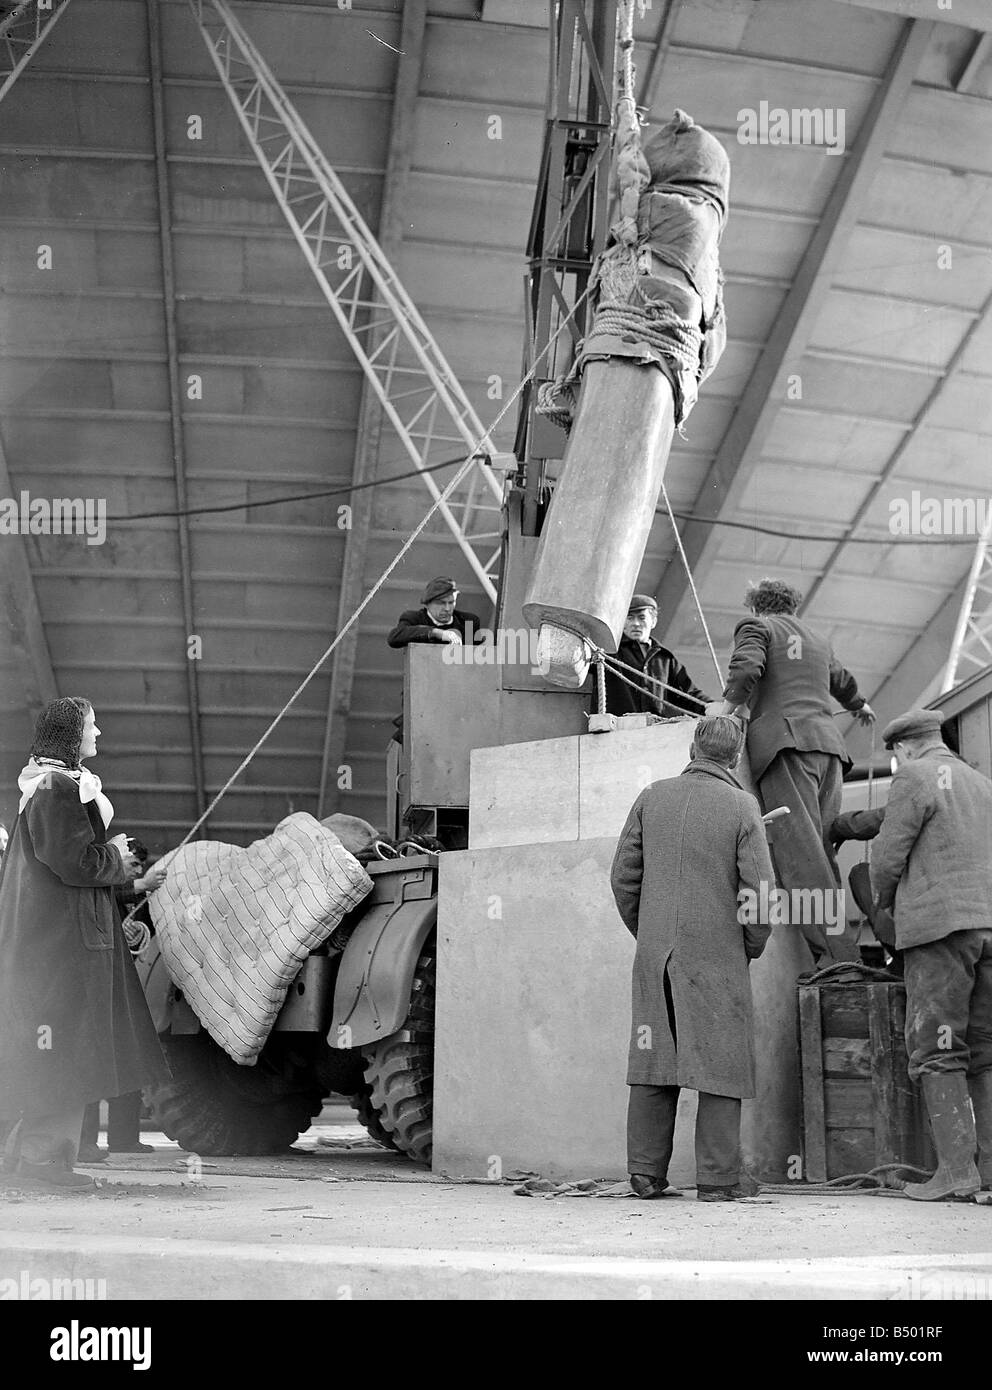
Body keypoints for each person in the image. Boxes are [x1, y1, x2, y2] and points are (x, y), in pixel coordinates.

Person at [0, 697, 168, 1189]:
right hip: (63, 947)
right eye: (92, 726)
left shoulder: (49, 785)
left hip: (58, 941)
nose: (99, 734)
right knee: (65, 1050)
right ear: (71, 735)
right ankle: (43, 1165)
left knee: (54, 1047)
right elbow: (72, 862)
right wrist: (115, 856)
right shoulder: (56, 788)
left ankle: (27, 1160)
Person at [610, 715, 774, 1202]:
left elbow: (623, 878)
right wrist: (746, 947)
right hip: (718, 956)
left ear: (692, 749)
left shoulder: (651, 796)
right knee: (720, 1061)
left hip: (655, 955)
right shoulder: (742, 806)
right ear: (736, 757)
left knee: (654, 1059)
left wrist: (650, 934)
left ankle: (644, 1174)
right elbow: (759, 895)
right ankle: (719, 1181)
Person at [869, 708, 992, 1201]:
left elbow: (887, 856)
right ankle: (988, 1175)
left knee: (938, 1050)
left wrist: (881, 903)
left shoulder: (915, 776)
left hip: (941, 931)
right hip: (987, 928)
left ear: (904, 747)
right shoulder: (981, 782)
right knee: (985, 1053)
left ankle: (957, 1173)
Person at [720, 577, 875, 964]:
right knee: (821, 851)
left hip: (786, 747)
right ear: (792, 606)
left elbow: (746, 669)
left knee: (799, 854)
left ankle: (839, 960)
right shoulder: (818, 639)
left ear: (756, 607)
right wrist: (859, 705)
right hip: (829, 750)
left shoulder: (756, 626)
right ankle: (842, 951)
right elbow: (842, 681)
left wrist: (726, 710)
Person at [78, 844, 168, 1162]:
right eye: (133, 863)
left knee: (129, 1058)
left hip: (124, 988)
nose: (138, 870)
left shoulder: (139, 899)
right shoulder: (100, 888)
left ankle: (124, 1138)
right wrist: (141, 886)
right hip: (99, 989)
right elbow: (104, 891)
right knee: (92, 1062)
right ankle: (84, 1142)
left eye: (141, 866)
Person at [603, 594, 712, 719]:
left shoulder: (665, 659)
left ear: (653, 622)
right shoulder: (609, 652)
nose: (636, 624)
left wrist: (712, 706)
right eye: (630, 618)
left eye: (642, 618)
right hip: (617, 725)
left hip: (654, 727)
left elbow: (687, 694)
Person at [386, 576, 481, 649]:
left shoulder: (468, 622)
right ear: (427, 604)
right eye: (441, 603)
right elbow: (394, 637)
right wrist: (436, 633)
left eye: (451, 602)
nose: (447, 608)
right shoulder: (414, 618)